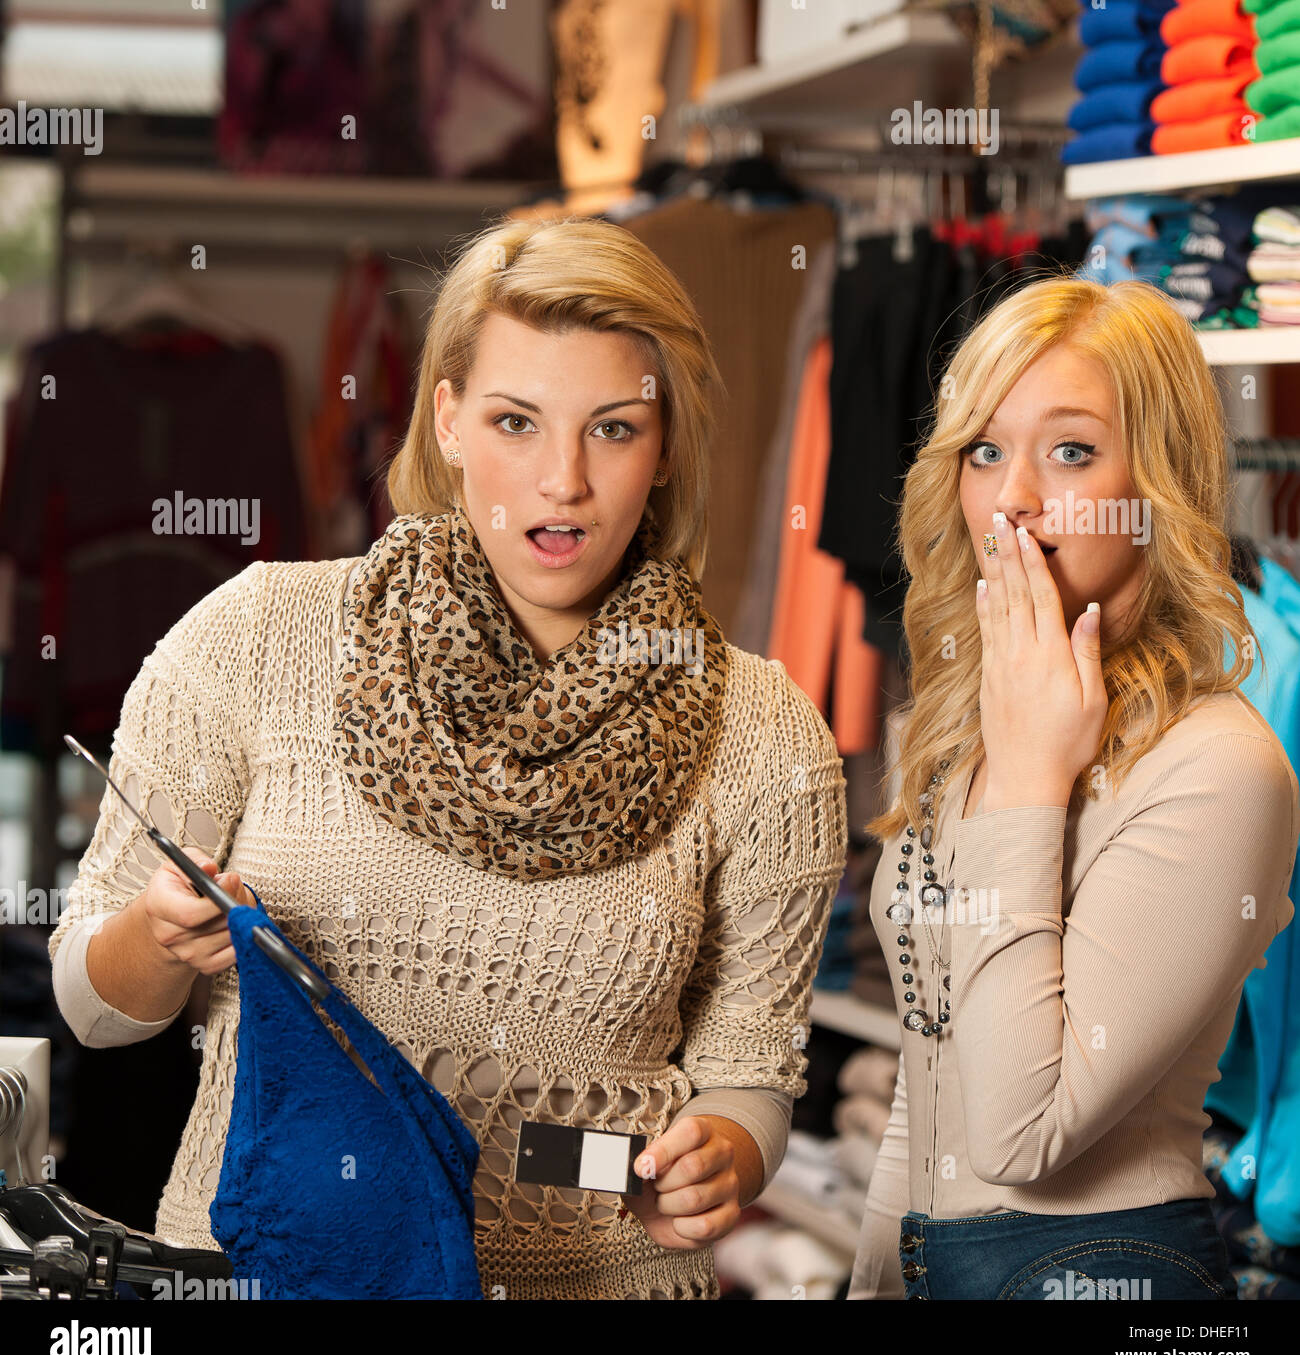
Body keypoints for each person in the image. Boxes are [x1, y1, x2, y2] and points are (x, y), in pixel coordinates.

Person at [48, 215, 847, 1300]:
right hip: (274, 1276)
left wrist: (719, 1154)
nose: (560, 480)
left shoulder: (764, 734)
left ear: (663, 452)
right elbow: (94, 1007)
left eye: (612, 429)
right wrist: (155, 936)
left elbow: (749, 1076)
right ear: (449, 420)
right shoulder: (251, 638)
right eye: (516, 421)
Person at [849, 275, 1298, 1301]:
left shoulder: (1217, 764)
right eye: (983, 449)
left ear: (1158, 478)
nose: (1010, 498)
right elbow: (932, 1065)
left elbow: (1017, 1127)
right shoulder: (968, 720)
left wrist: (1030, 779)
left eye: (1070, 450)